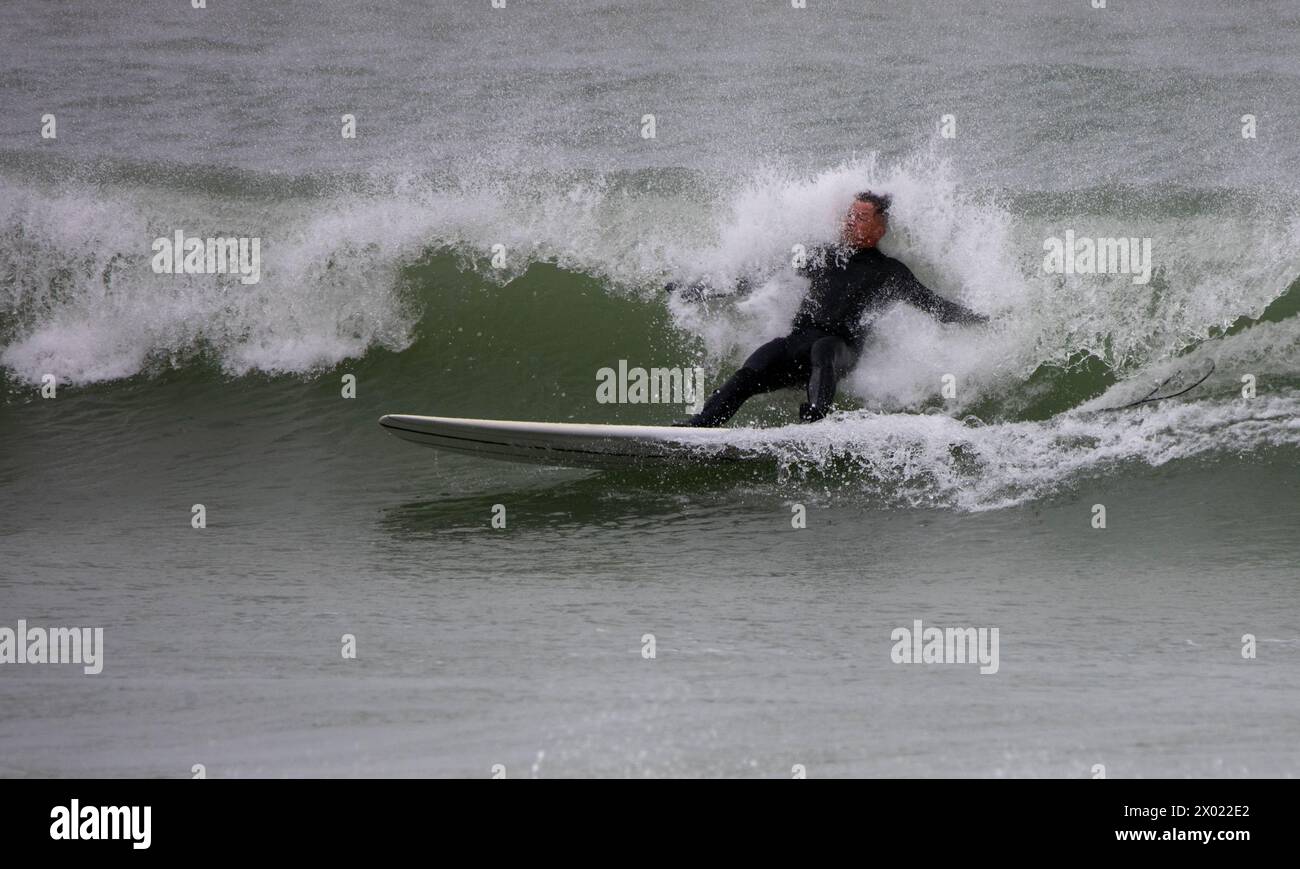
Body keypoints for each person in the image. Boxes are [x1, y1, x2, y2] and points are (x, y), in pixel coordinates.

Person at [675, 192, 988, 426]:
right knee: (760, 361)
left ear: (879, 230)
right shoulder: (822, 256)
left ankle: (814, 423)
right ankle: (701, 426)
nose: (851, 221)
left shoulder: (889, 272)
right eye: (850, 215)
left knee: (824, 348)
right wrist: (701, 289)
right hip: (798, 345)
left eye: (861, 217)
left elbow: (934, 306)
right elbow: (758, 278)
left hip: (841, 350)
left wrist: (984, 321)